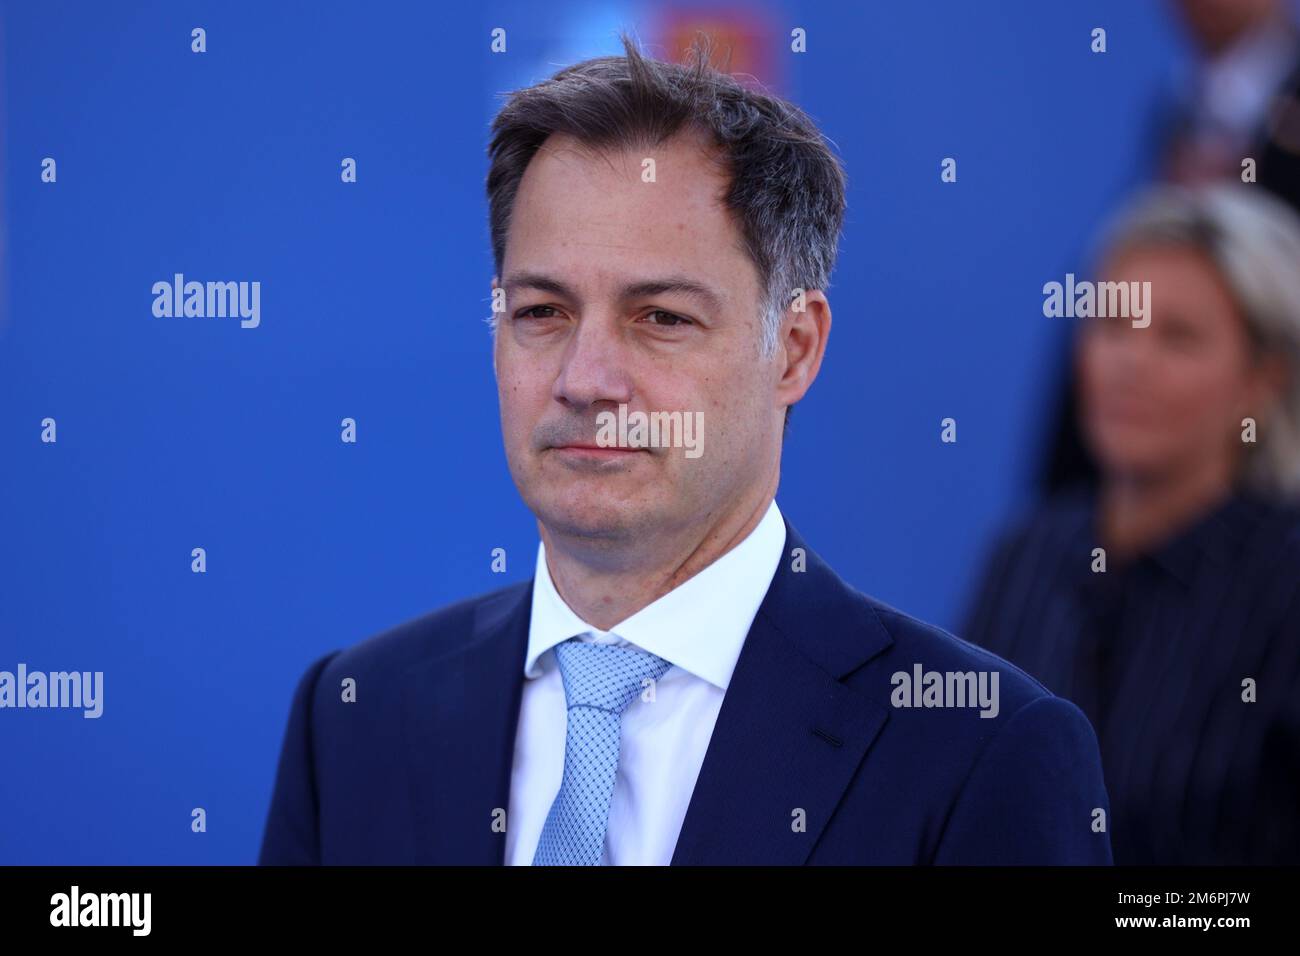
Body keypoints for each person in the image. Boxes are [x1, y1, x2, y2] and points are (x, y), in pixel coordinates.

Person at [258, 35, 1111, 866]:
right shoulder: (355, 719)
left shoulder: (980, 753)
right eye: (542, 313)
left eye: (661, 317)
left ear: (795, 347)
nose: (586, 380)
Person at [963, 183, 1300, 864]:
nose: (1130, 364)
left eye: (1178, 338)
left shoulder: (1284, 584)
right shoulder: (1027, 555)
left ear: (1263, 379)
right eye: (1113, 326)